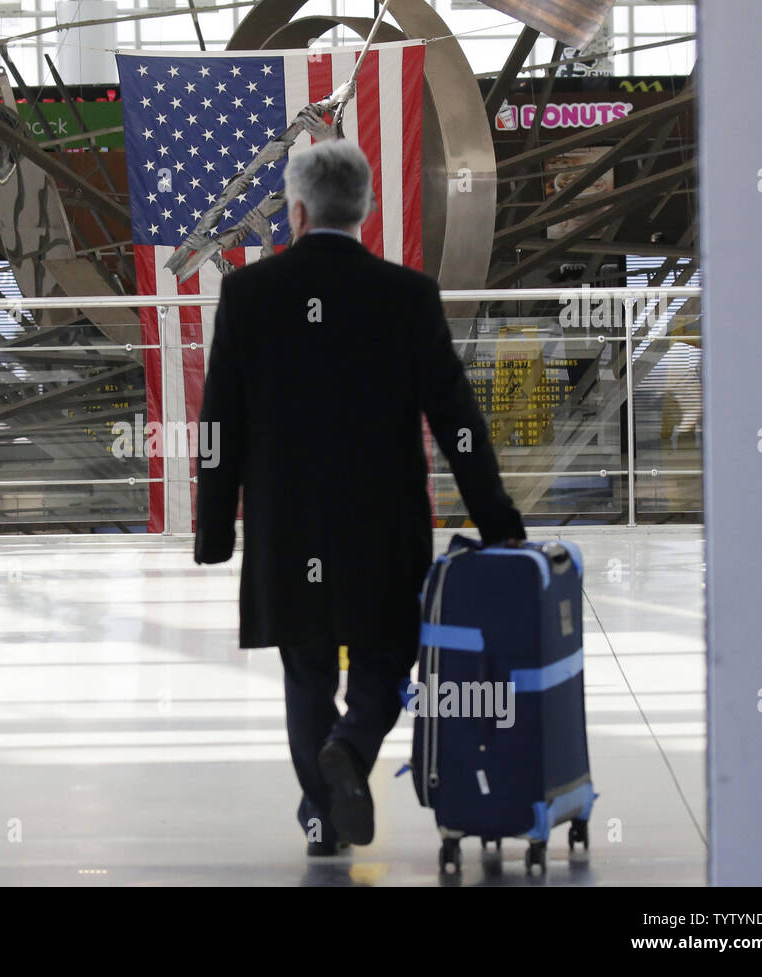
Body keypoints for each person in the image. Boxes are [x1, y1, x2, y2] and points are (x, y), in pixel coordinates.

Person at [193, 140, 526, 857]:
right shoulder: (407, 296)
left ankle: (322, 817)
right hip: (384, 520)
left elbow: (219, 422)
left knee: (307, 665)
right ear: (368, 208)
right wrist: (495, 516)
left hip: (288, 522)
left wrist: (215, 528)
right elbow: (457, 419)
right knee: (385, 653)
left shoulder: (250, 295)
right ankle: (350, 745)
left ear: (299, 208)